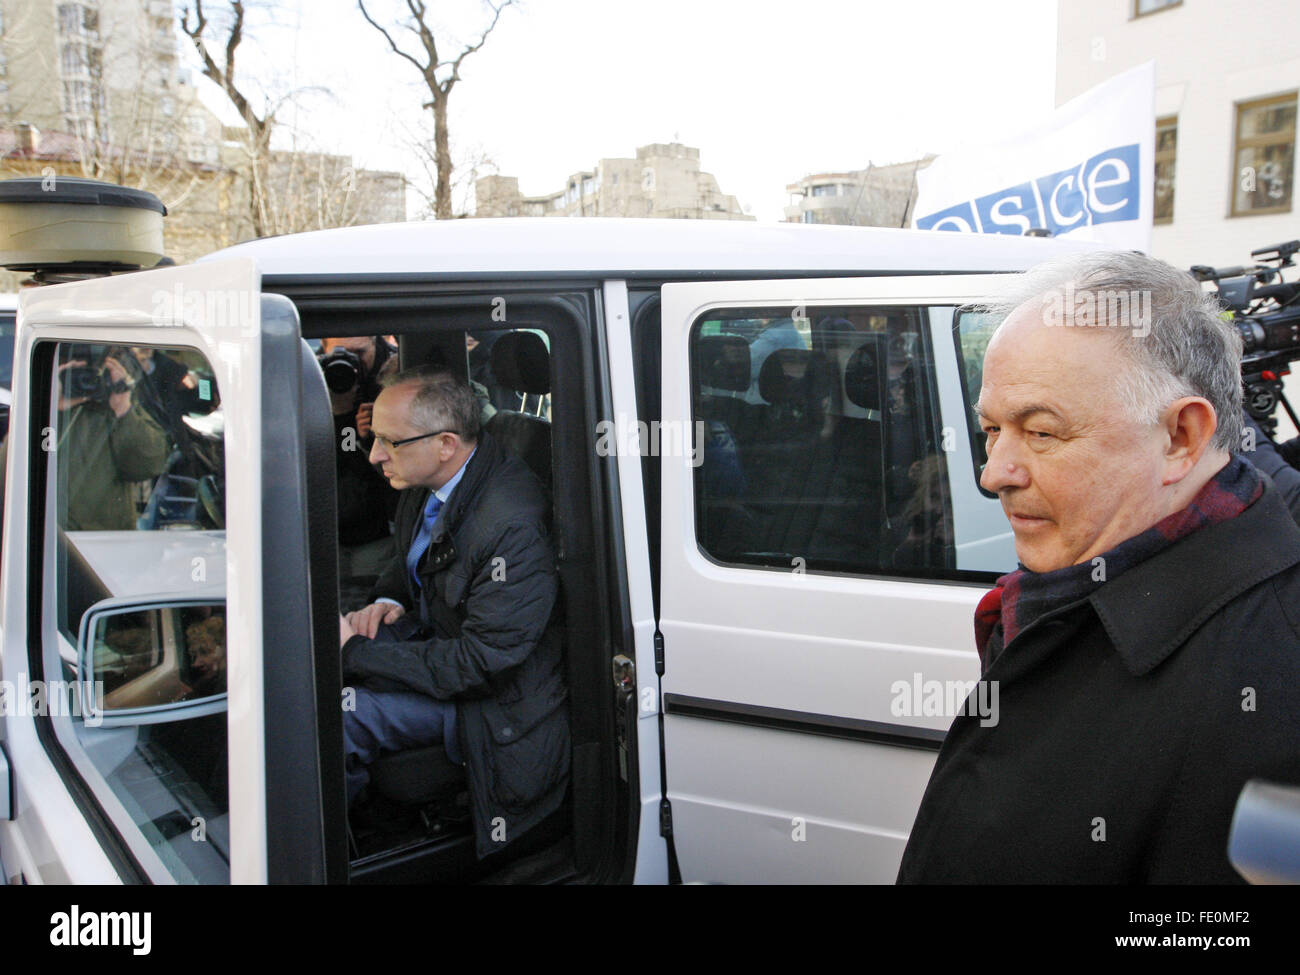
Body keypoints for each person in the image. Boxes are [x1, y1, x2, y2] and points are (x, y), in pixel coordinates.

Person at [897, 250, 1300, 884]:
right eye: (990, 430)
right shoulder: (1063, 595)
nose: (993, 473)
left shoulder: (1276, 682)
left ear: (1181, 438)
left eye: (1041, 433)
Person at [338, 366, 568, 858]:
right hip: (440, 643)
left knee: (344, 717)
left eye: (388, 442)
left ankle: (320, 858)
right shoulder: (425, 479)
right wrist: (389, 600)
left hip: (497, 701)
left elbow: (483, 665)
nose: (375, 454)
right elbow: (408, 558)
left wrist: (357, 653)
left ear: (445, 443)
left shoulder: (510, 527)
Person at [319, 335, 400, 580]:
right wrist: (340, 415)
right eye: (340, 352)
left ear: (378, 344)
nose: (351, 363)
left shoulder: (393, 381)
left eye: (359, 353)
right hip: (325, 529)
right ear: (324, 349)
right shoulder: (307, 379)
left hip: (379, 529)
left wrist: (368, 437)